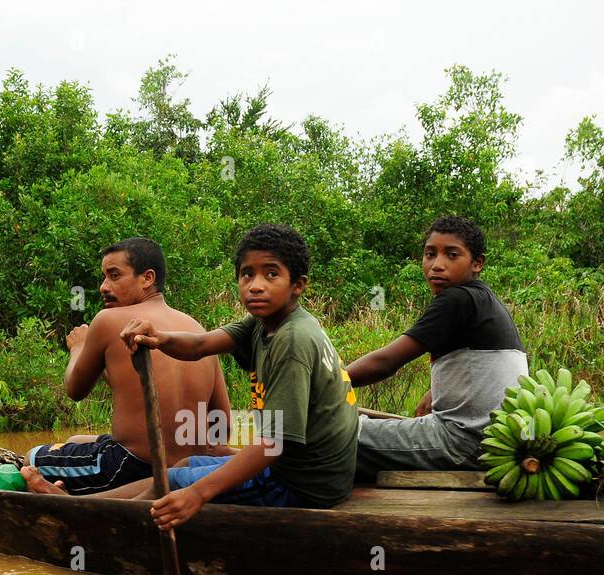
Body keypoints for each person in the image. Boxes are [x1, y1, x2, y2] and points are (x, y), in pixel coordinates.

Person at [22, 224, 358, 530]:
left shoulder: (292, 340)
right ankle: (80, 506)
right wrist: (160, 337)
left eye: (271, 275)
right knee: (181, 467)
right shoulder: (262, 323)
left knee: (175, 483)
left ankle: (85, 518)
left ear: (297, 285)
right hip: (304, 470)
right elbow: (200, 345)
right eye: (246, 275)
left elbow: (274, 444)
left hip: (299, 483)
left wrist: (197, 494)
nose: (255, 286)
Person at [26, 237, 231, 493]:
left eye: (114, 276)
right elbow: (222, 426)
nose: (103, 287)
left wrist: (78, 347)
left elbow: (74, 390)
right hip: (189, 466)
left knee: (32, 458)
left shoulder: (108, 319)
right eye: (103, 277)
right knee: (76, 439)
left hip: (131, 465)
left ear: (147, 278)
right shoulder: (196, 330)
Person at [344, 215, 527, 479]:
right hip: (496, 439)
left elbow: (386, 362)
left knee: (333, 435)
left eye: (452, 255)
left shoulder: (456, 299)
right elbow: (481, 365)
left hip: (466, 442)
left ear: (477, 263)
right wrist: (434, 392)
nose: (437, 265)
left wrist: (327, 382)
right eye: (430, 254)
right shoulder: (483, 299)